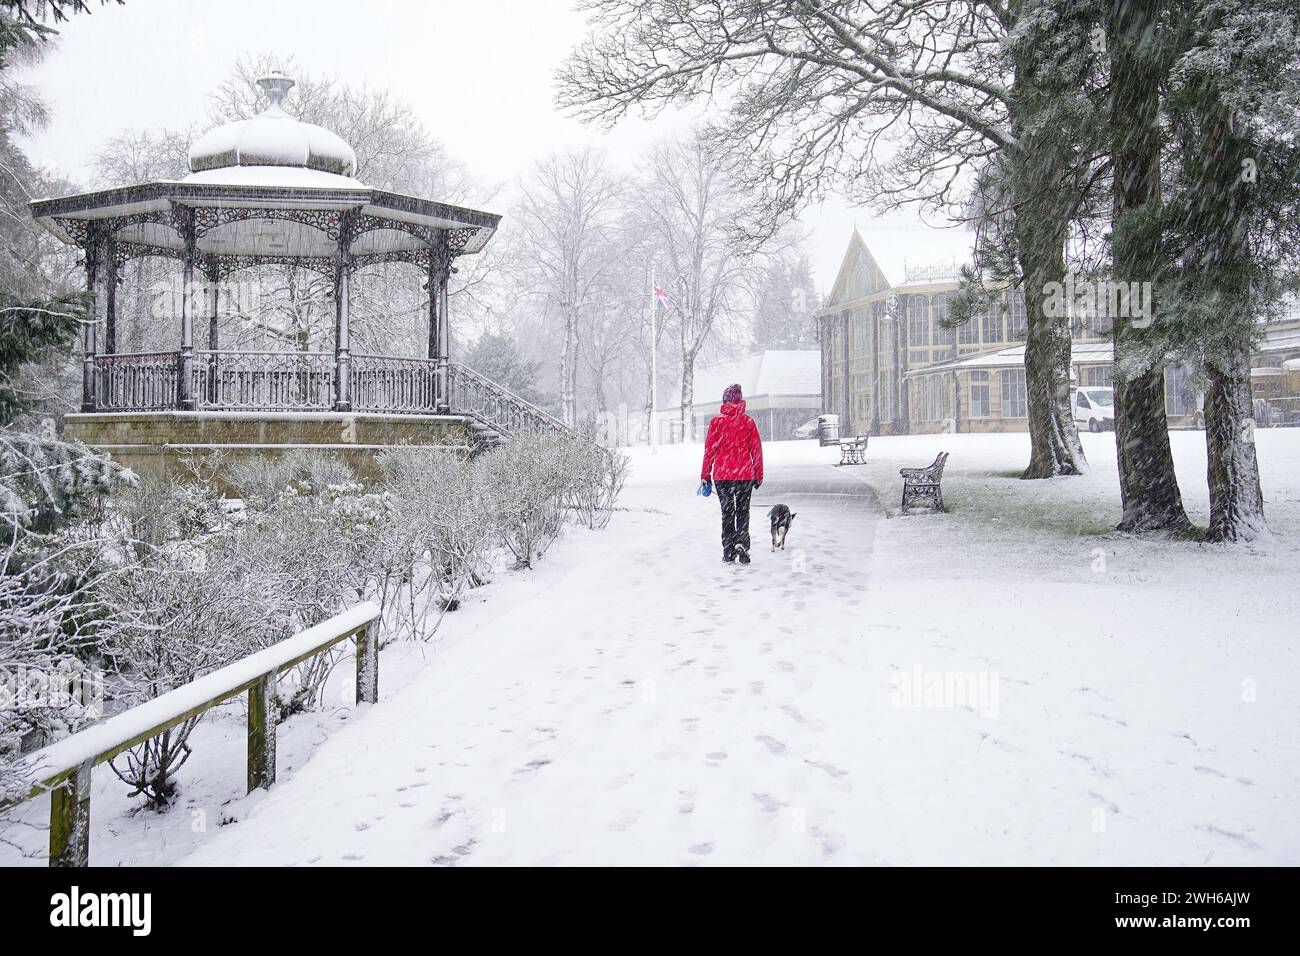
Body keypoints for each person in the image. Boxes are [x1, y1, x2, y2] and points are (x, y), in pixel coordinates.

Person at [699, 383, 764, 564]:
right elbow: (756, 450)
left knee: (727, 513)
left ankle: (728, 550)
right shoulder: (748, 422)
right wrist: (758, 474)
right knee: (743, 511)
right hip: (744, 475)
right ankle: (741, 541)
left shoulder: (716, 422)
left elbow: (709, 451)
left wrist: (705, 476)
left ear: (724, 400)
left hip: (723, 475)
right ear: (740, 400)